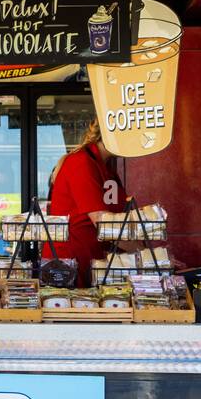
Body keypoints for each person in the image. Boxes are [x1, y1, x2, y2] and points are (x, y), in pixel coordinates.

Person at [48, 119, 129, 283]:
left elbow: (118, 220)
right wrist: (147, 254)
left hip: (94, 261)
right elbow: (103, 224)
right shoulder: (81, 163)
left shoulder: (106, 168)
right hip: (71, 267)